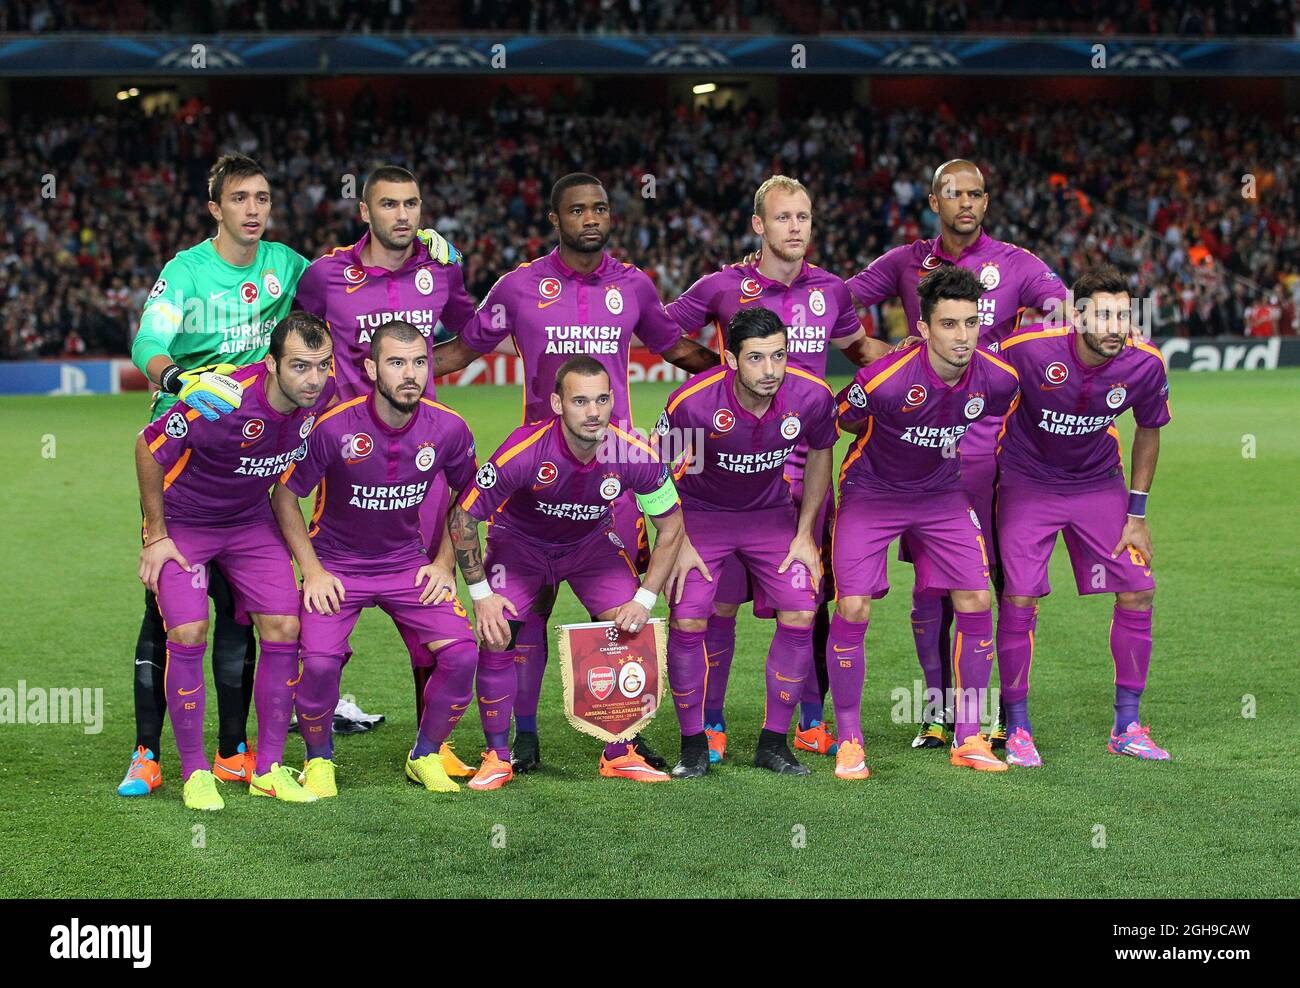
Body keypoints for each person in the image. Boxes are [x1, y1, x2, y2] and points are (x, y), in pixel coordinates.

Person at [433, 172, 714, 774]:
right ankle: (520, 738)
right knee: (522, 620)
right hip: (531, 479)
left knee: (621, 618)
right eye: (577, 211)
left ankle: (623, 737)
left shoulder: (634, 285)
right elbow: (460, 353)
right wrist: (377, 377)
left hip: (611, 481)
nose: (591, 218)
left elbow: (675, 349)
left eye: (600, 209)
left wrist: (731, 371)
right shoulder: (517, 287)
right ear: (555, 221)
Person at [846, 159, 1067, 750]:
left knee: (992, 583)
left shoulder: (1018, 264)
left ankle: (998, 714)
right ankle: (937, 711)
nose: (964, 203)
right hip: (920, 448)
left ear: (986, 202)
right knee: (928, 588)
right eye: (953, 193)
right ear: (934, 201)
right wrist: (884, 356)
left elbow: (1064, 315)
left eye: (974, 194)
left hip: (995, 451)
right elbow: (833, 307)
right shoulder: (903, 262)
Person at [665, 175, 879, 764]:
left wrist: (918, 355)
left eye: (803, 218)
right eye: (783, 218)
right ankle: (710, 724)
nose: (795, 229)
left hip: (807, 453)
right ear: (759, 225)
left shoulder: (833, 290)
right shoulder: (720, 285)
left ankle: (809, 719)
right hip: (729, 462)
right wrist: (718, 371)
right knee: (721, 603)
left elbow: (861, 351)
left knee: (813, 591)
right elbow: (662, 332)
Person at [120, 152, 311, 797]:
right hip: (187, 449)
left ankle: (233, 749)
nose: (253, 210)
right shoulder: (188, 273)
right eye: (240, 199)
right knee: (170, 620)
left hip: (253, 455)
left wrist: (421, 264)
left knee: (241, 615)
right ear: (216, 208)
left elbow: (344, 293)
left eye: (262, 198)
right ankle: (149, 752)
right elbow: (148, 341)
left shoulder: (286, 265)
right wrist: (180, 378)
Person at [293, 164, 477, 774]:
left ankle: (433, 744)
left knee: (431, 604)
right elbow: (293, 344)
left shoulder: (440, 269)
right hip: (341, 456)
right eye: (390, 204)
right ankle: (292, 738)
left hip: (417, 455)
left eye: (413, 204)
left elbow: (472, 335)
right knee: (306, 620)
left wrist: (415, 373)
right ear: (365, 212)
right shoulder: (325, 276)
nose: (403, 215)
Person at [448, 356, 687, 787]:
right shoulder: (524, 450)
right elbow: (463, 519)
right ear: (557, 404)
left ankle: (619, 751)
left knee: (628, 626)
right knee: (499, 630)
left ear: (613, 400)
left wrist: (644, 598)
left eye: (600, 400)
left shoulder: (634, 453)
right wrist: (481, 595)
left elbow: (671, 526)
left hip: (588, 546)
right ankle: (498, 755)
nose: (593, 412)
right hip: (519, 545)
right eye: (580, 401)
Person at [272, 320, 483, 795]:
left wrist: (444, 562)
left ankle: (426, 754)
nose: (410, 374)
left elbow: (470, 494)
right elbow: (285, 497)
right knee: (322, 665)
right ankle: (319, 760)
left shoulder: (448, 428)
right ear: (370, 368)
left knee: (463, 655)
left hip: (406, 563)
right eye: (395, 362)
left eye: (418, 362)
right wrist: (312, 571)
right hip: (336, 566)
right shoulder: (332, 427)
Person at [134, 312, 335, 809]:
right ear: (271, 364)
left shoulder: (323, 395)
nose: (313, 379)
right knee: (187, 633)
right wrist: (155, 535)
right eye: (300, 367)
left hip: (249, 522)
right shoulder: (222, 399)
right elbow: (147, 446)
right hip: (185, 523)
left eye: (323, 366)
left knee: (285, 629)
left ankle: (267, 768)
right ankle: (196, 771)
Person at [829, 267, 1020, 777]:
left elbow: (1003, 418)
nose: (962, 337)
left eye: (971, 323)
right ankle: (849, 739)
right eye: (949, 324)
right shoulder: (885, 380)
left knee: (978, 598)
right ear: (923, 327)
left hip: (940, 493)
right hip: (872, 493)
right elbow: (837, 421)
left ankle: (970, 735)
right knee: (852, 605)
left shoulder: (997, 379)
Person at [994, 265, 1172, 766]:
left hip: (1098, 482)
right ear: (1077, 316)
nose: (1116, 326)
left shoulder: (1145, 364)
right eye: (1105, 315)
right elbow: (972, 377)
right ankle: (1018, 726)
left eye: (1124, 315)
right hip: (1028, 482)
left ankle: (1127, 724)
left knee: (1139, 588)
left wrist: (1137, 512)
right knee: (1021, 594)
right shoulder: (1028, 348)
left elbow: (1149, 429)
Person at [659, 307, 839, 778]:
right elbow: (653, 473)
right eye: (756, 359)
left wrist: (804, 534)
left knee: (802, 609)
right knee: (689, 618)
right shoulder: (692, 404)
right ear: (730, 359)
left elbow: (822, 454)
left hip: (770, 517)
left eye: (778, 356)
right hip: (701, 517)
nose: (770, 371)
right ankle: (694, 743)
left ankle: (774, 743)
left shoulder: (811, 396)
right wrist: (677, 541)